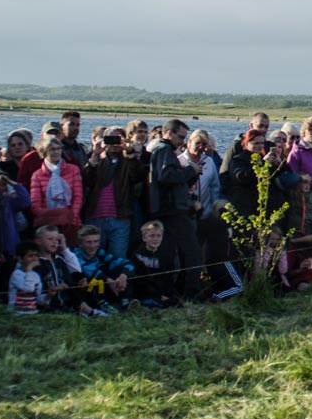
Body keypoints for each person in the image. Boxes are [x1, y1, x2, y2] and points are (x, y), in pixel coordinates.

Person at [150, 119, 202, 299]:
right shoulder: (164, 150)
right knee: (191, 252)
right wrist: (190, 171)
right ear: (169, 133)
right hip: (173, 210)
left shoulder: (161, 150)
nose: (182, 142)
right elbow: (165, 175)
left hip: (169, 209)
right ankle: (190, 293)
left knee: (172, 253)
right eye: (180, 137)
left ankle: (174, 292)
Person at [82, 129, 145, 259]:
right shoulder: (97, 159)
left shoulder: (128, 161)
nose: (115, 144)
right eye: (111, 139)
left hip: (120, 217)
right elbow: (86, 180)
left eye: (119, 139)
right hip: (95, 216)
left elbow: (138, 176)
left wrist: (130, 153)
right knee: (93, 258)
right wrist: (95, 155)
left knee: (117, 258)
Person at [30, 135, 84, 242]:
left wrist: (71, 216)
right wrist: (52, 217)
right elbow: (35, 203)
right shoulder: (37, 175)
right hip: (47, 223)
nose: (56, 152)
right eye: (52, 149)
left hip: (70, 221)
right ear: (43, 152)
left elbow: (78, 197)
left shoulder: (73, 170)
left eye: (58, 148)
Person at [73, 224, 134, 313]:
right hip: (84, 292)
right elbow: (88, 270)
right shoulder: (74, 255)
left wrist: (123, 275)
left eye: (96, 241)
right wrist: (107, 279)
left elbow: (127, 263)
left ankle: (125, 301)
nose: (93, 246)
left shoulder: (101, 253)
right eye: (88, 242)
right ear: (80, 244)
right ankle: (101, 305)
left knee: (122, 269)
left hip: (104, 288)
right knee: (90, 278)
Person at [128, 220, 181, 308]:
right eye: (152, 236)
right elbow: (140, 280)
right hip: (144, 290)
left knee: (176, 302)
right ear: (144, 238)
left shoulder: (165, 256)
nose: (155, 239)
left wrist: (167, 294)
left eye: (158, 236)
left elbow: (168, 277)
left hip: (161, 290)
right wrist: (159, 295)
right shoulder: (138, 255)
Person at [7, 241, 44, 314]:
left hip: (32, 313)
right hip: (16, 314)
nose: (34, 259)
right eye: (30, 256)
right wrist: (29, 269)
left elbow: (36, 297)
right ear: (20, 258)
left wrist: (49, 295)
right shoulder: (16, 274)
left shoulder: (35, 275)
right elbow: (28, 289)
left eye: (36, 255)